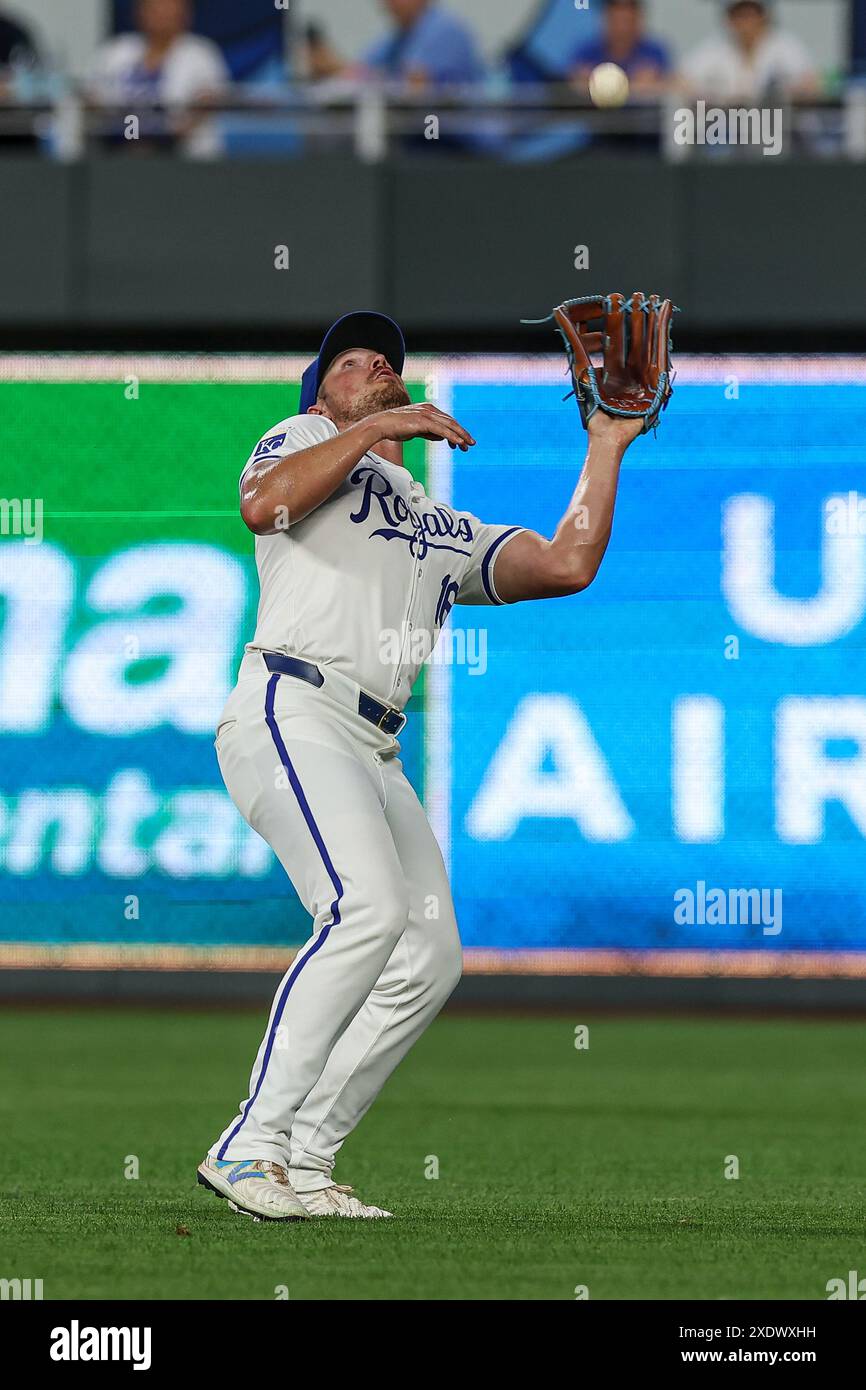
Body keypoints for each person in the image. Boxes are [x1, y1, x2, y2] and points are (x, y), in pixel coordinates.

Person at [196, 309, 645, 1221]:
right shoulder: (307, 438)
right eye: (351, 364)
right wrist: (368, 426)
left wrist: (607, 443)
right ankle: (249, 1147)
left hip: (373, 741)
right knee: (365, 908)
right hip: (293, 704)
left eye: (385, 365)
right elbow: (261, 505)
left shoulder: (442, 526)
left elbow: (564, 563)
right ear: (322, 392)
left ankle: (305, 1159)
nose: (373, 370)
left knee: (430, 953)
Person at [88, 0, 230, 158]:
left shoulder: (200, 53)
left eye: (168, 7)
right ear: (139, 12)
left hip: (184, 157)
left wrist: (162, 137)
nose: (161, 14)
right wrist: (129, 135)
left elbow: (207, 101)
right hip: (118, 151)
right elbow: (94, 97)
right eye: (153, 8)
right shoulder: (117, 50)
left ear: (184, 13)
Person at [305, 0, 484, 89]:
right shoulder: (399, 36)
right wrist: (329, 66)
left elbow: (414, 85)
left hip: (462, 148)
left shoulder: (444, 28)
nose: (388, 4)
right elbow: (359, 71)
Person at [680, 0, 819, 102]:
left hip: (777, 126)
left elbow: (810, 83)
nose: (745, 22)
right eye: (739, 15)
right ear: (729, 18)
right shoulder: (713, 48)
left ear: (763, 16)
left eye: (750, 14)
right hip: (725, 125)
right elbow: (682, 82)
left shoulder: (785, 46)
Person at [570, 0, 671, 96]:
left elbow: (676, 86)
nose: (622, 29)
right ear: (606, 20)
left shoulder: (655, 52)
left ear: (638, 20)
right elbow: (571, 85)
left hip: (640, 113)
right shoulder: (586, 52)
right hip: (596, 113)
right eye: (616, 21)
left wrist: (656, 85)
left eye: (627, 21)